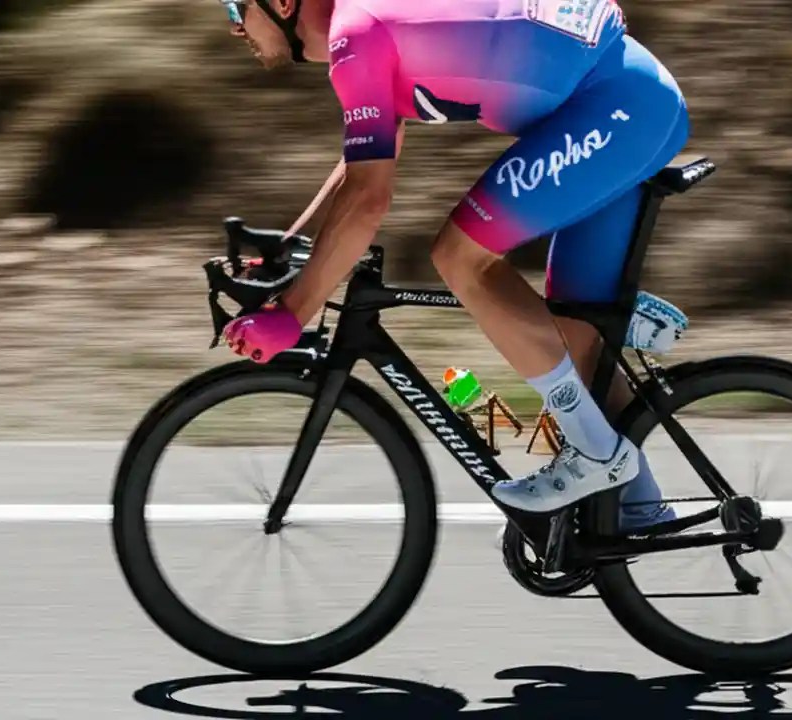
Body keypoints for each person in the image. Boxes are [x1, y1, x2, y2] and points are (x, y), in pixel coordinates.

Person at [217, 0, 689, 526]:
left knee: (461, 257)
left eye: (235, 6)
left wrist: (292, 314)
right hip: (632, 100)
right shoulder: (363, 26)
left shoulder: (355, 37)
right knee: (573, 334)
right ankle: (642, 510)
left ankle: (598, 455)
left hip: (617, 108)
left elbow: (369, 201)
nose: (234, 25)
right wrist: (290, 243)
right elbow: (361, 169)